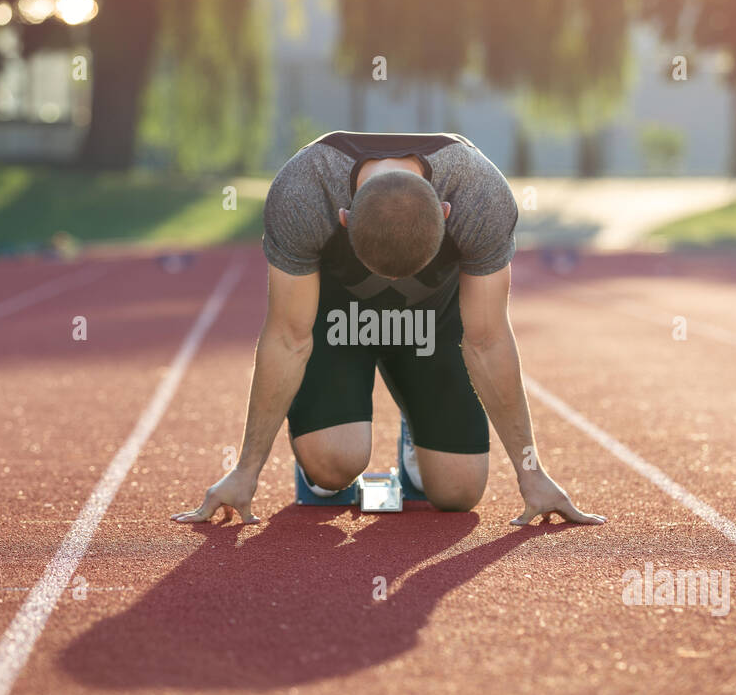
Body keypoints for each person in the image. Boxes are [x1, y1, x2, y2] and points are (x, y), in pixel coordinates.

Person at [171, 131, 606, 526]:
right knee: (333, 467)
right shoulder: (303, 191)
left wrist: (532, 475)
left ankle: (416, 430)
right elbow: (288, 337)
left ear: (445, 211)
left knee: (458, 493)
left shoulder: (480, 195)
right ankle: (321, 453)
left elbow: (488, 340)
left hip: (432, 322)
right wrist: (246, 471)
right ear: (343, 217)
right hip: (337, 319)